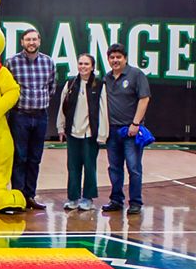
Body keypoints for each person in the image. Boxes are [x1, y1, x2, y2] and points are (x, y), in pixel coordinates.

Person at [7, 27, 56, 211]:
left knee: (35, 158)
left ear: (39, 41)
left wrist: (39, 102)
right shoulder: (12, 63)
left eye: (34, 39)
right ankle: (18, 197)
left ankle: (30, 195)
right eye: (28, 39)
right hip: (20, 116)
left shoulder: (48, 62)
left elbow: (51, 87)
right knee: (19, 157)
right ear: (22, 42)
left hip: (41, 116)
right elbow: (6, 89)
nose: (31, 43)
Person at [102, 42, 152, 216]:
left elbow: (144, 99)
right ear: (108, 59)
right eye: (112, 57)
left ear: (125, 58)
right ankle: (116, 200)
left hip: (131, 130)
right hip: (112, 130)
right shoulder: (106, 78)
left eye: (118, 57)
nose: (115, 60)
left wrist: (136, 123)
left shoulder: (136, 75)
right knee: (114, 167)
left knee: (134, 167)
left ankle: (136, 202)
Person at [56, 53, 109, 212]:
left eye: (86, 64)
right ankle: (73, 198)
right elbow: (62, 107)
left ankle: (87, 198)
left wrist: (102, 134)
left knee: (90, 166)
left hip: (90, 134)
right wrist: (61, 127)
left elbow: (103, 109)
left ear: (92, 67)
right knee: (72, 166)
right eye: (80, 63)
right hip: (72, 133)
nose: (83, 67)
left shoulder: (99, 85)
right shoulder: (70, 84)